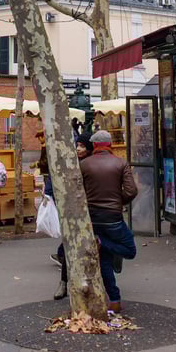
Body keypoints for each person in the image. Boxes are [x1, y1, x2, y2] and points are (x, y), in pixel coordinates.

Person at [54, 131, 137, 313]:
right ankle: (103, 245)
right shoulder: (120, 163)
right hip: (113, 217)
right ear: (109, 144)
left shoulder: (83, 165)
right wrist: (118, 201)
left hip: (92, 218)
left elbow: (75, 192)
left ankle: (115, 299)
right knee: (130, 250)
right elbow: (131, 191)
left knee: (105, 261)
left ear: (94, 145)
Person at [50, 136, 93, 268]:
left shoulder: (87, 163)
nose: (78, 149)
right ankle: (63, 255)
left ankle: (64, 255)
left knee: (78, 230)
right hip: (75, 201)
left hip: (84, 201)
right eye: (77, 145)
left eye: (82, 146)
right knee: (75, 229)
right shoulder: (73, 162)